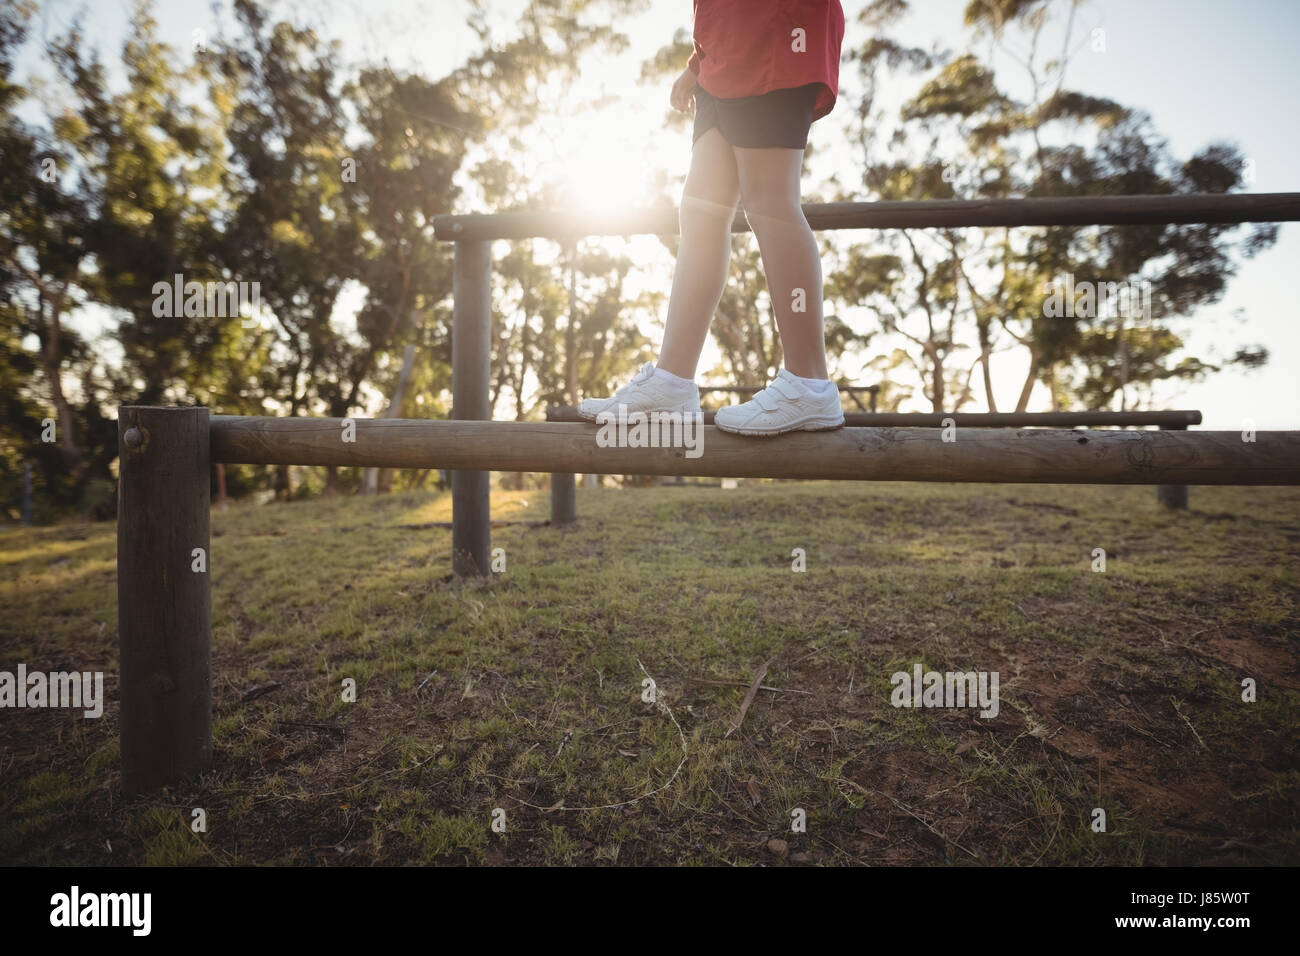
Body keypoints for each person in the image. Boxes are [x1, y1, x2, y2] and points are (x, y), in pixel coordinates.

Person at [579, 0, 847, 436]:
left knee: (770, 202)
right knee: (702, 209)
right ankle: (672, 380)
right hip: (723, 46)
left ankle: (809, 384)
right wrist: (697, 61)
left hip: (774, 25)